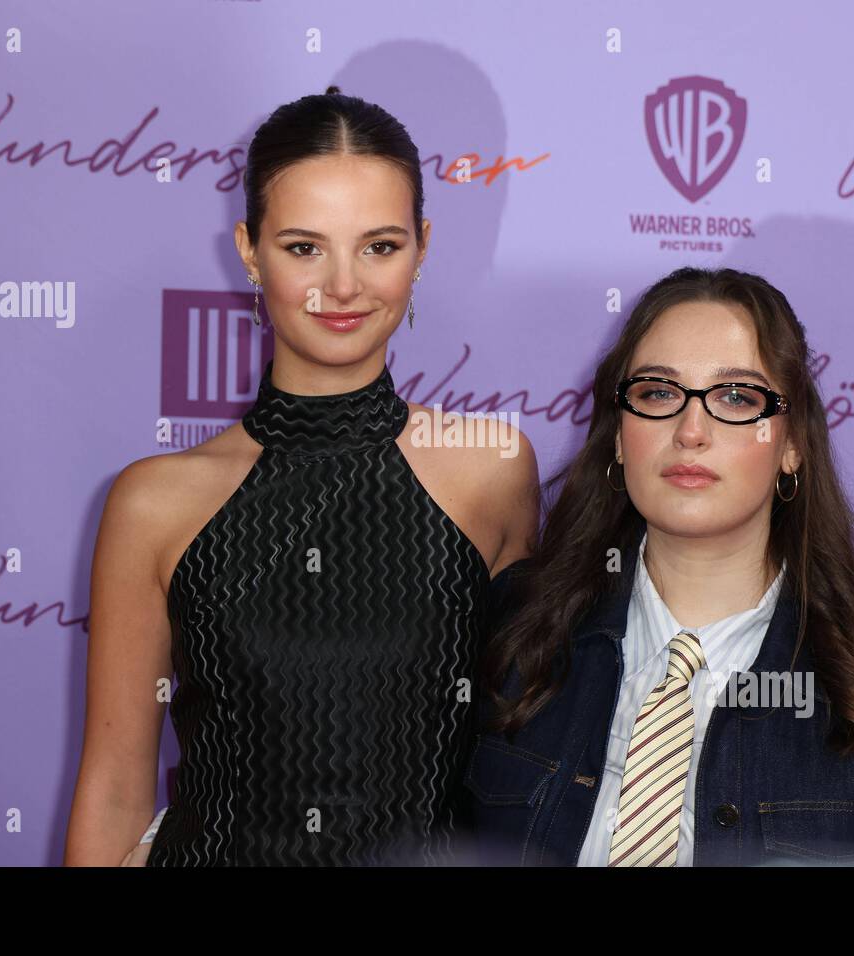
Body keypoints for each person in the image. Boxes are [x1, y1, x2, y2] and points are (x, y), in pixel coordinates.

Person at [64, 87, 538, 866]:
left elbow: (517, 749)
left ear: (423, 246)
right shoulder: (153, 501)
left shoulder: (492, 470)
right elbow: (115, 789)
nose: (343, 286)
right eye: (304, 247)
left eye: (379, 246)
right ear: (249, 248)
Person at [466, 267, 854, 866]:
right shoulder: (510, 628)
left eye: (737, 398)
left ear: (792, 444)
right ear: (618, 436)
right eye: (658, 393)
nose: (691, 431)